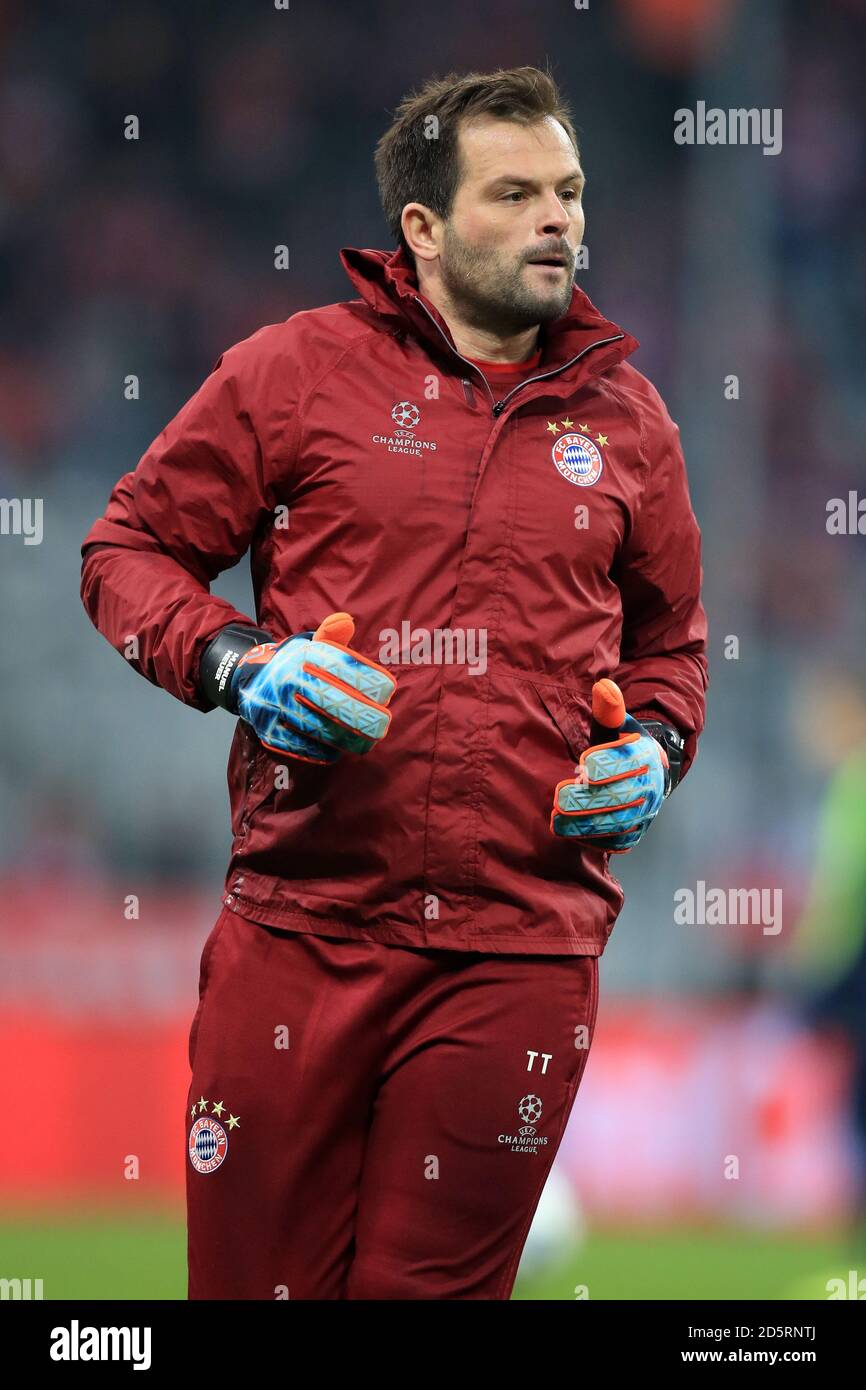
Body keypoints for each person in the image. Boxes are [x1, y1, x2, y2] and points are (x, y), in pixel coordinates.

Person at [80, 65, 708, 1300]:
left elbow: (672, 650)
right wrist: (236, 663)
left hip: (518, 950)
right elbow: (126, 547)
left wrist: (656, 748)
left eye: (570, 192)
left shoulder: (633, 424)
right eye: (516, 191)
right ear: (419, 229)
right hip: (299, 928)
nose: (558, 220)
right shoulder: (293, 373)